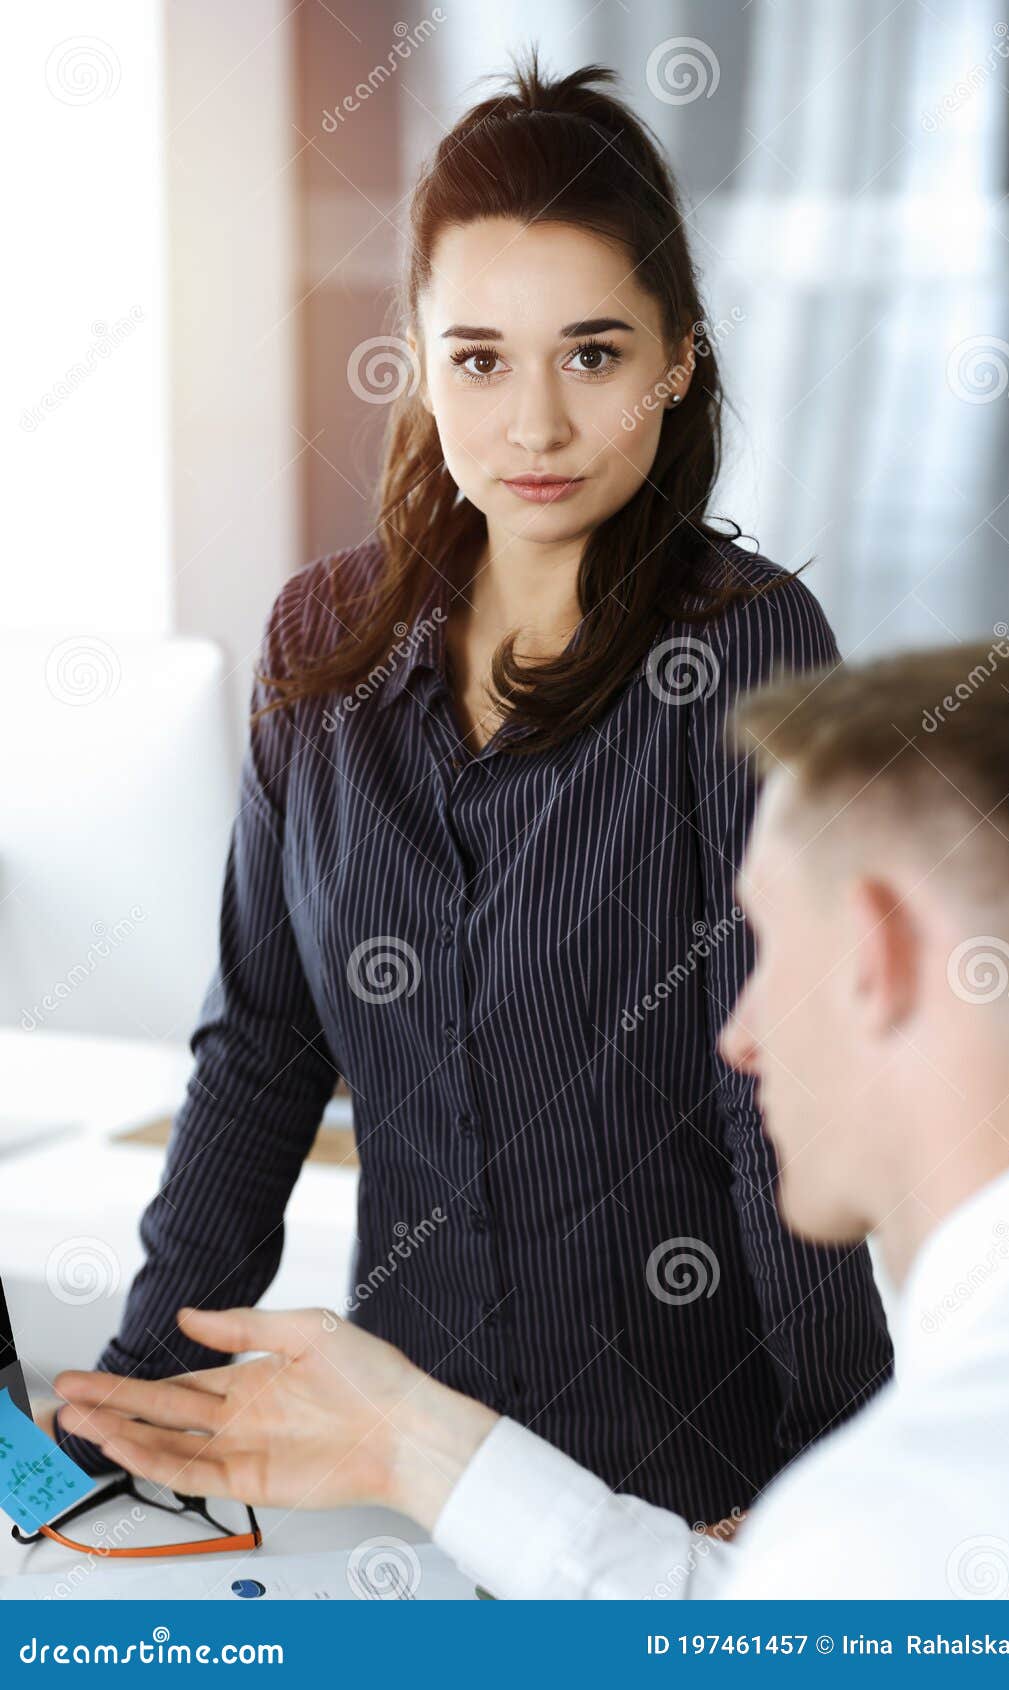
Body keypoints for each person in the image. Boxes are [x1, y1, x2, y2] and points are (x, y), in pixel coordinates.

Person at [46, 48, 893, 1526]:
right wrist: (139, 1389)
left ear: (677, 357)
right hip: (406, 1461)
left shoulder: (743, 643)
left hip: (684, 1475)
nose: (534, 427)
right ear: (422, 363)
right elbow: (260, 1047)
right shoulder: (317, 640)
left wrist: (844, 1480)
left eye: (593, 352)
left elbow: (783, 1090)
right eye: (478, 359)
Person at [57, 641, 1009, 1600]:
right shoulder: (946, 1500)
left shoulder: (924, 1502)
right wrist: (406, 1437)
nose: (738, 1036)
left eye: (763, 944)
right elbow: (775, 1621)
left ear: (875, 956)